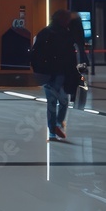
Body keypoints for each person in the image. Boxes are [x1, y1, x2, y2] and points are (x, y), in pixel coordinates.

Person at [30, 9, 79, 141]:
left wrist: (37, 70)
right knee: (63, 101)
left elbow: (34, 54)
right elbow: (70, 55)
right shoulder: (64, 34)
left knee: (52, 102)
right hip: (59, 72)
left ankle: (52, 130)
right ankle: (57, 124)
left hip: (45, 73)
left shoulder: (44, 32)